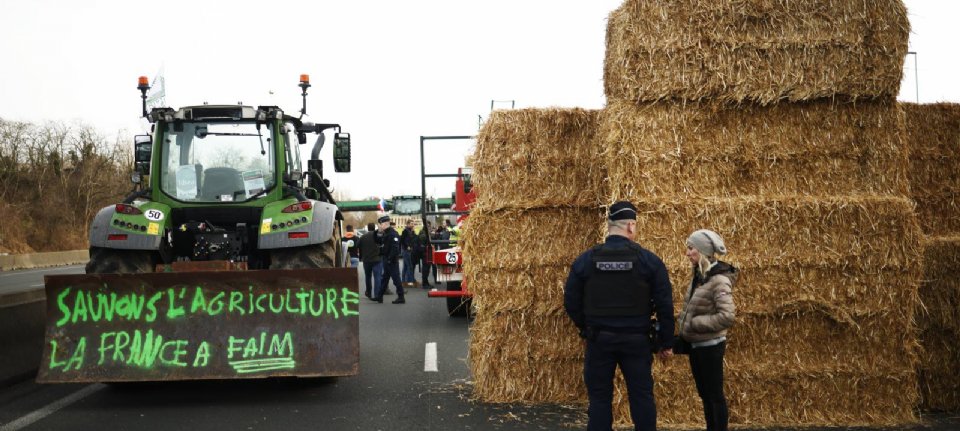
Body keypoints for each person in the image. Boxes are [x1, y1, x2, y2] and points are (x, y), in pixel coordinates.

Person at [564, 201, 675, 431]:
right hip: (637, 341)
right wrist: (666, 342)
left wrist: (585, 329)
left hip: (599, 340)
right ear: (631, 226)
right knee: (642, 397)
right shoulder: (649, 261)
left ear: (610, 226)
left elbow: (571, 302)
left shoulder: (586, 260)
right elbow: (665, 305)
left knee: (599, 400)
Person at [677, 229, 737, 431]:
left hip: (710, 347)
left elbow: (727, 316)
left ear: (701, 251)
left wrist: (696, 323)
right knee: (705, 394)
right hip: (697, 345)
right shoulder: (700, 276)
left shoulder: (718, 280)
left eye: (691, 248)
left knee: (714, 396)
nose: (687, 253)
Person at [376, 215, 405, 304]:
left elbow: (395, 248)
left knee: (396, 279)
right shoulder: (386, 233)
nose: (380, 226)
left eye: (380, 224)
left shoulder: (393, 234)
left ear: (385, 224)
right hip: (386, 259)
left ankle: (401, 297)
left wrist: (390, 259)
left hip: (391, 261)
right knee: (384, 279)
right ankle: (379, 297)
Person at [357, 222, 382, 299]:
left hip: (366, 260)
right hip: (377, 259)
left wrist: (361, 256)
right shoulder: (378, 236)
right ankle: (377, 294)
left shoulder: (363, 237)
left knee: (368, 277)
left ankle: (368, 292)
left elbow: (358, 246)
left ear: (367, 228)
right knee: (377, 277)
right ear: (374, 228)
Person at [400, 220, 417, 287]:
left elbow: (413, 239)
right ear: (407, 224)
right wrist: (407, 247)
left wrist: (413, 231)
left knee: (405, 266)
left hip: (408, 250)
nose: (412, 225)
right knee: (409, 266)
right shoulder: (405, 231)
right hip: (406, 251)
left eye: (413, 224)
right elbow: (402, 241)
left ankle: (403, 281)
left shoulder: (410, 231)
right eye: (411, 224)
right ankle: (410, 281)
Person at [417, 221, 433, 288]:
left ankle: (426, 282)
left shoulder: (424, 233)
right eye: (428, 226)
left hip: (426, 253)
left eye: (429, 226)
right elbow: (422, 245)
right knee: (425, 269)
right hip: (425, 254)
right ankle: (425, 283)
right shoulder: (423, 234)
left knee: (426, 269)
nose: (429, 228)